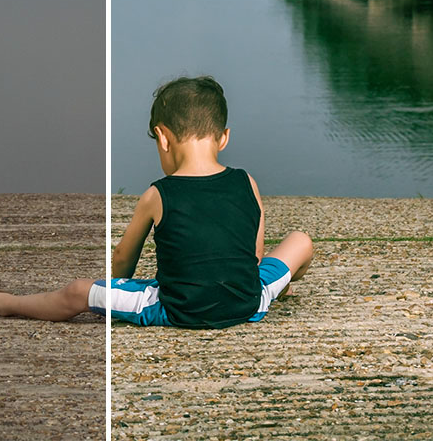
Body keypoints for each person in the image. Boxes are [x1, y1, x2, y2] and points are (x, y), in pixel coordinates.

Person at [107, 75, 314, 328]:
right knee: (300, 241)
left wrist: (118, 286)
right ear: (224, 137)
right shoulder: (246, 181)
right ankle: (280, 289)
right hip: (248, 301)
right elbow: (255, 256)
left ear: (162, 138)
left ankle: (42, 304)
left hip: (179, 308)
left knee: (78, 293)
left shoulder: (157, 194)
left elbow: (121, 258)